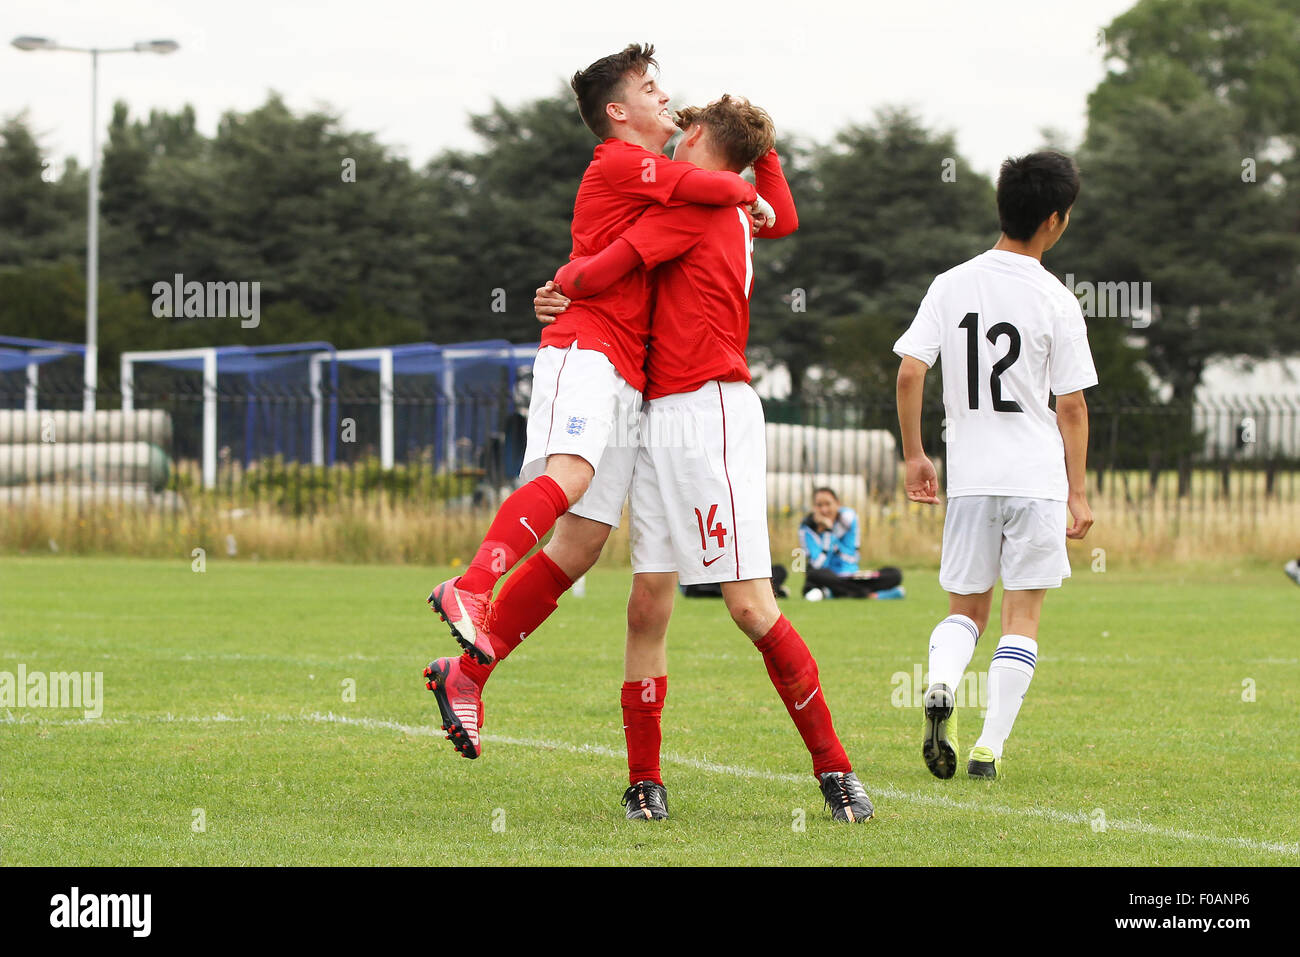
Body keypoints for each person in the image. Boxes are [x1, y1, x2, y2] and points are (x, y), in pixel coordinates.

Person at [422, 44, 774, 760]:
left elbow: (680, 211)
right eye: (650, 88)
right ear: (618, 112)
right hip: (587, 350)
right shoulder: (619, 160)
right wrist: (750, 192)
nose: (664, 96)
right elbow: (713, 189)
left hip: (623, 371)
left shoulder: (654, 180)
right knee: (572, 474)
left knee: (579, 547)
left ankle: (466, 673)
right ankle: (471, 584)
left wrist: (566, 276)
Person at [544, 95, 874, 823]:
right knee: (646, 604)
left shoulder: (697, 209)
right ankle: (645, 782)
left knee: (750, 605)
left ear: (695, 137)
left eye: (680, 129)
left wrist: (560, 285)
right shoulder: (736, 203)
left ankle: (837, 770)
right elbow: (782, 216)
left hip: (708, 411)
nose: (669, 139)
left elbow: (608, 267)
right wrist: (765, 159)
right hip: (662, 412)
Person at [893, 150, 1096, 782]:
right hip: (1035, 481)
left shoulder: (951, 283)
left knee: (965, 613)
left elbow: (909, 371)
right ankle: (989, 750)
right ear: (1055, 220)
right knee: (1023, 618)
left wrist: (916, 454)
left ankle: (942, 685)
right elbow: (1071, 406)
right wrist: (1079, 493)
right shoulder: (1058, 300)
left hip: (973, 479)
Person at [799, 487, 903, 599]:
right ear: (814, 508)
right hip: (827, 577)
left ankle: (834, 593)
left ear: (837, 504)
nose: (824, 510)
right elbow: (817, 565)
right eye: (819, 505)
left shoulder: (847, 518)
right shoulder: (806, 529)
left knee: (894, 574)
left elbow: (851, 557)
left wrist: (829, 529)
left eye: (828, 504)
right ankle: (869, 595)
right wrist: (827, 533)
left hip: (850, 576)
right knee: (813, 575)